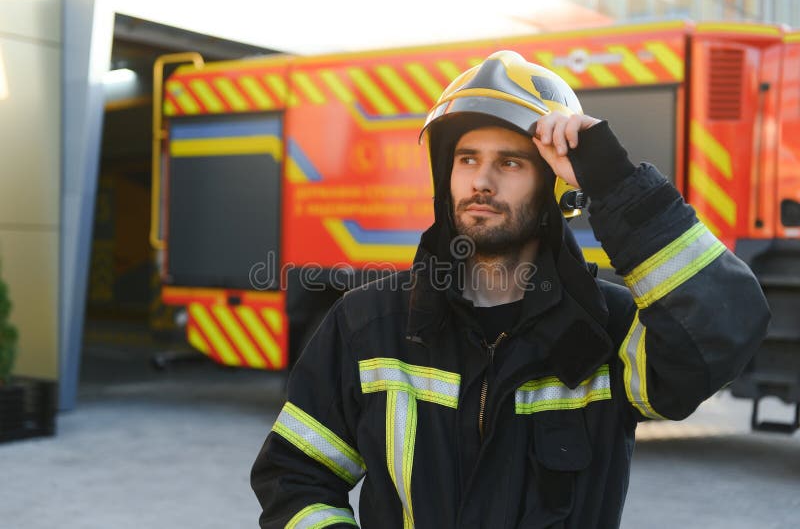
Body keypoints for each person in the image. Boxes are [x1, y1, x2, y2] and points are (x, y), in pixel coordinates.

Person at [250, 51, 769, 528]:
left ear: (553, 187)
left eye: (511, 163)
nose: (482, 181)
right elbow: (295, 479)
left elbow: (721, 331)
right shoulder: (367, 323)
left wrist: (615, 183)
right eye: (467, 159)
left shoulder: (608, 330)